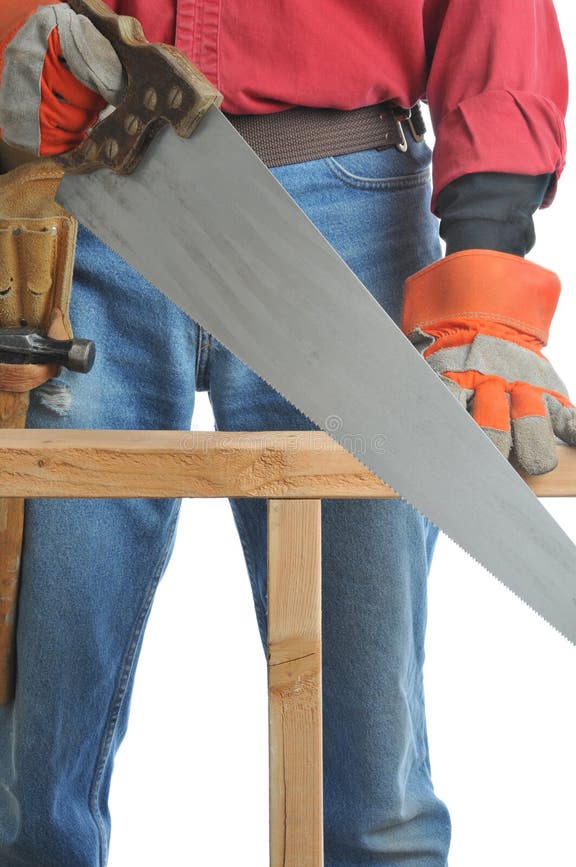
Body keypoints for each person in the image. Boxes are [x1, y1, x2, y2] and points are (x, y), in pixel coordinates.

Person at [0, 1, 574, 865]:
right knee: (29, 794)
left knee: (373, 802)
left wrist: (487, 256)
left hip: (349, 207)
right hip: (81, 193)